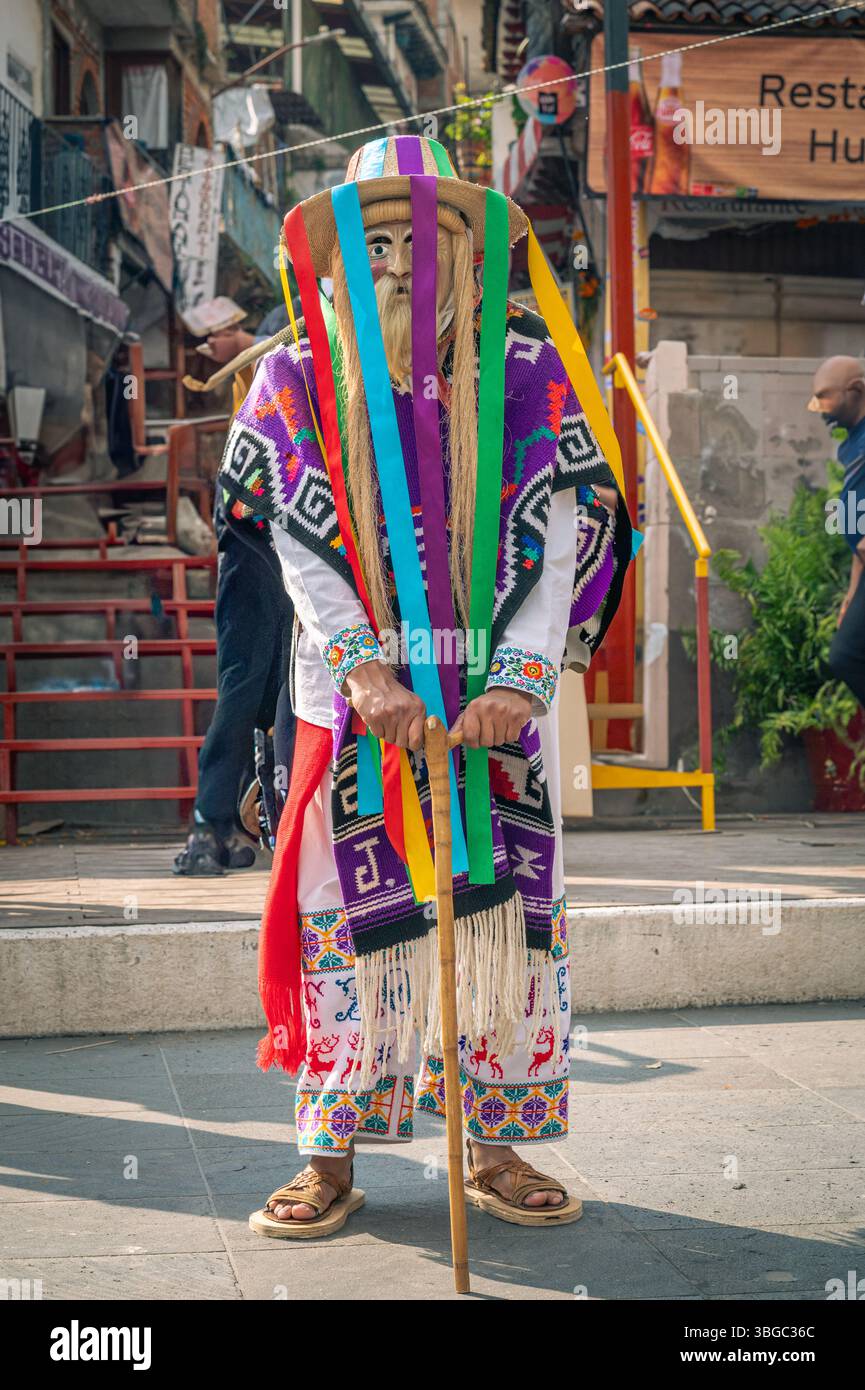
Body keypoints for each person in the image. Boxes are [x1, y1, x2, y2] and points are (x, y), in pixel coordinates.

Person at [218, 135, 633, 1233]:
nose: (399, 265)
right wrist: (365, 671)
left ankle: (490, 1148)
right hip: (350, 709)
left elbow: (563, 531)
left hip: (496, 701)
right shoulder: (294, 375)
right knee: (343, 920)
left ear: (464, 252)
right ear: (345, 256)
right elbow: (295, 548)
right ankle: (330, 1155)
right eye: (378, 241)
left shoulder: (531, 369)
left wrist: (524, 677)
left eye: (422, 241)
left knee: (504, 919)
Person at [173, 304, 299, 876]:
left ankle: (250, 820)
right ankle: (208, 823)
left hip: (282, 561)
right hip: (254, 563)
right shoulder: (264, 411)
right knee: (244, 686)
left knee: (279, 688)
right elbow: (243, 509)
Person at [809, 356, 865, 706]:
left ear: (856, 390)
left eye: (826, 397)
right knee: (846, 654)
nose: (819, 408)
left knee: (846, 654)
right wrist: (850, 594)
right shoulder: (851, 443)